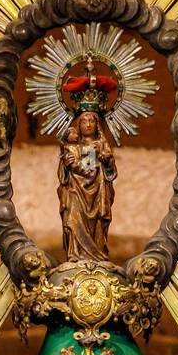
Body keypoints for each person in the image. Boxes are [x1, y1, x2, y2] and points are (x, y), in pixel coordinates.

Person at [58, 110, 117, 260]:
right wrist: (66, 164)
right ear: (78, 125)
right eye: (84, 121)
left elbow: (110, 172)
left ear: (97, 125)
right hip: (75, 190)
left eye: (92, 121)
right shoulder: (71, 147)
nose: (88, 124)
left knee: (98, 222)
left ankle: (98, 254)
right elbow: (63, 176)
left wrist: (106, 161)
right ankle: (76, 254)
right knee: (74, 218)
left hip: (99, 190)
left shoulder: (102, 145)